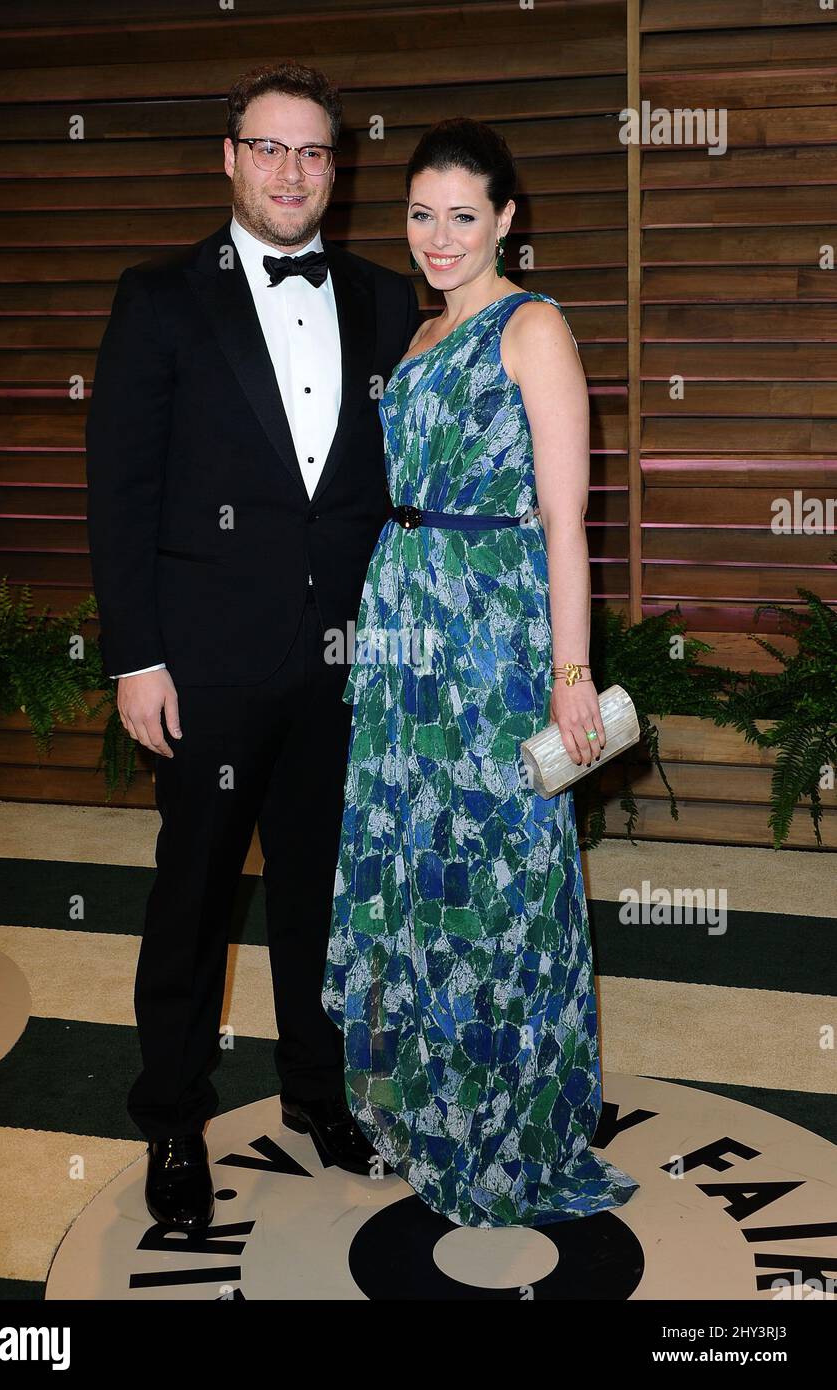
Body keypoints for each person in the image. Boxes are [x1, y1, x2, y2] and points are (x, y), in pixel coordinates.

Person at [86, 62, 418, 1231]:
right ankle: (174, 1120)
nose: (292, 171)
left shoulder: (386, 300)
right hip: (206, 666)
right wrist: (135, 657)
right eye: (270, 148)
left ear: (340, 167)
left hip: (345, 668)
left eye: (314, 151)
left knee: (325, 903)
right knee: (192, 901)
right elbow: (120, 489)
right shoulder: (161, 296)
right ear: (229, 158)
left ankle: (319, 1095)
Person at [322, 118, 640, 1227]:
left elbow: (566, 519)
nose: (439, 237)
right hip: (404, 624)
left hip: (493, 631)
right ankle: (434, 1110)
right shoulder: (412, 342)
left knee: (500, 878)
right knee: (416, 872)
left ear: (506, 220)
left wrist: (570, 668)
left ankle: (512, 1127)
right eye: (421, 214)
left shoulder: (533, 327)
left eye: (464, 215)